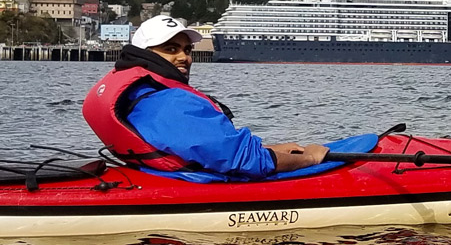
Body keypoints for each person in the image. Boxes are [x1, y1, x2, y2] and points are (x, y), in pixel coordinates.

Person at [83, 15, 332, 180]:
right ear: (144, 54)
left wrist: (271, 148)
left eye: (187, 49)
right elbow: (243, 161)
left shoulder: (142, 95)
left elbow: (203, 148)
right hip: (192, 187)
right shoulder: (171, 104)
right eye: (170, 49)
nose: (184, 57)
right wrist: (310, 157)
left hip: (160, 176)